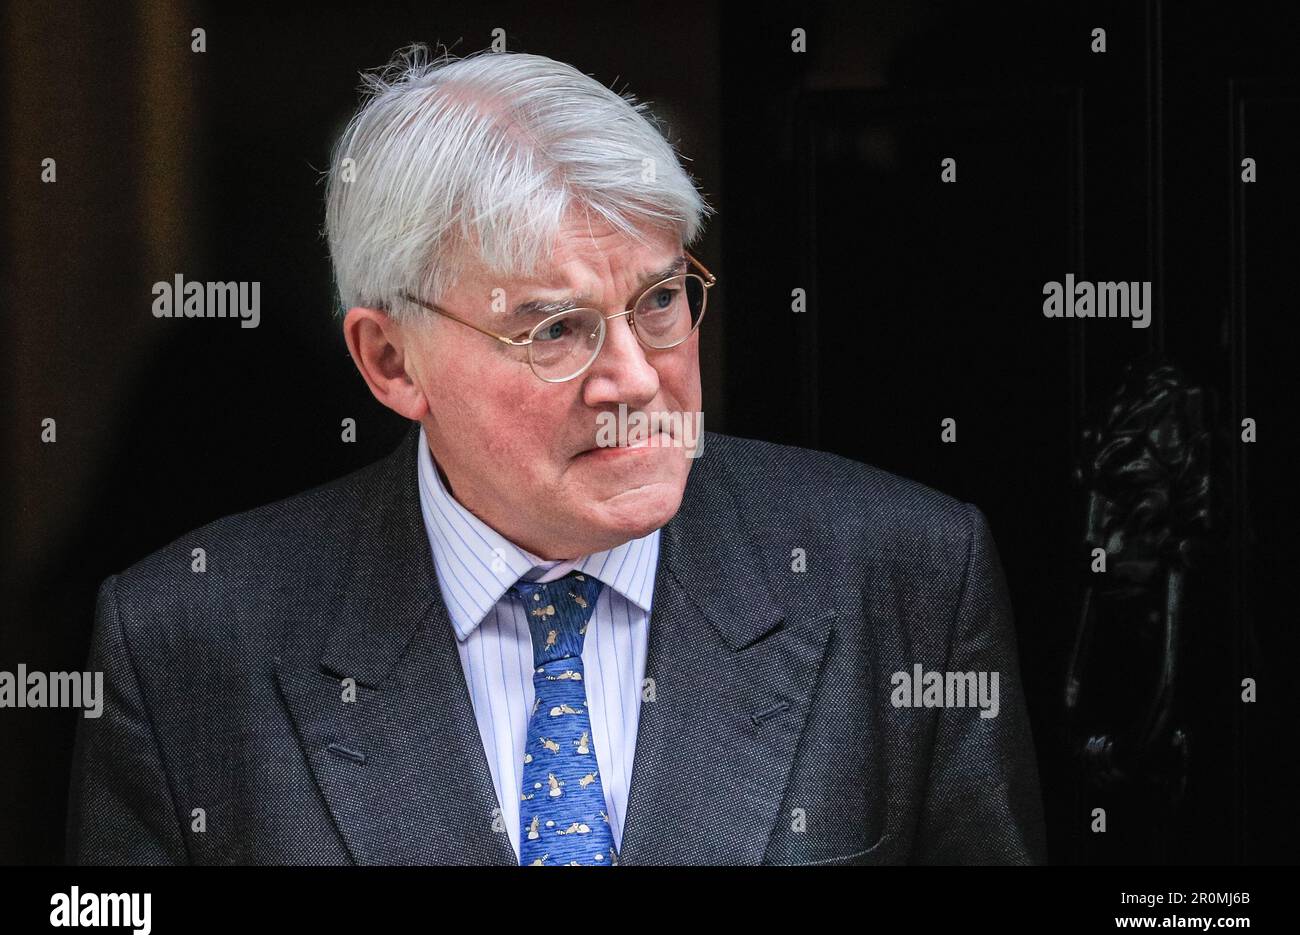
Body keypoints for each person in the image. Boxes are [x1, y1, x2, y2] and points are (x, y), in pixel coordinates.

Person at [66, 45, 1045, 865]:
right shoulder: (187, 639)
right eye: (555, 329)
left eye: (659, 300)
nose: (636, 378)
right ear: (391, 360)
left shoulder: (905, 574)